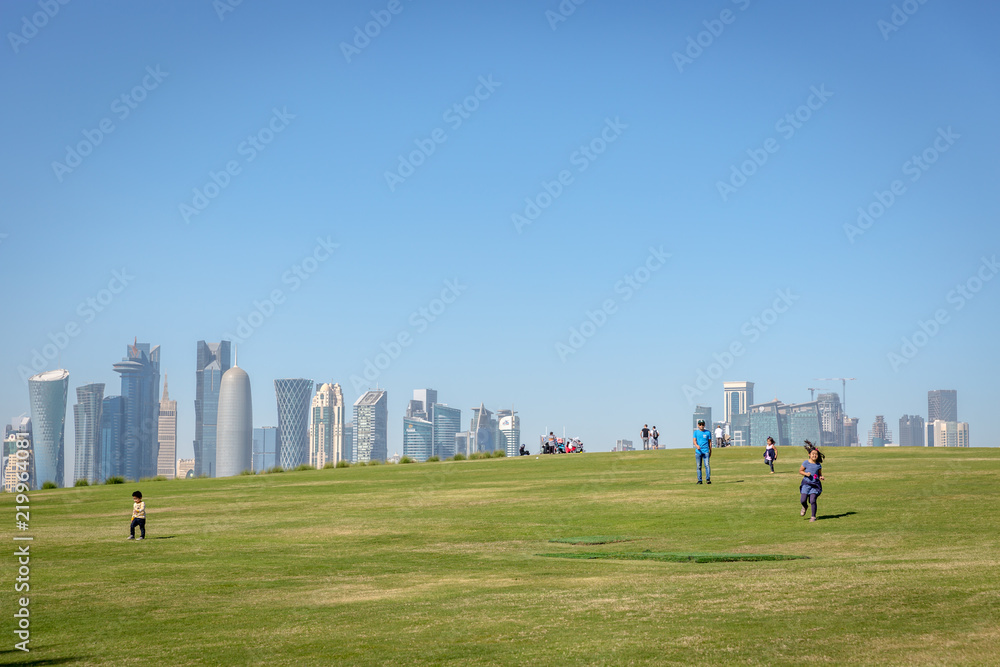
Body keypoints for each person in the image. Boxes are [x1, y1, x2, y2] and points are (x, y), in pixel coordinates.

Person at [799, 441, 825, 522]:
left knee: (812, 500)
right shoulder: (805, 463)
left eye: (816, 454)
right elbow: (800, 471)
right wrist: (806, 474)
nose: (814, 455)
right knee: (803, 500)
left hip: (815, 485)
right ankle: (805, 506)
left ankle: (813, 516)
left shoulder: (818, 465)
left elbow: (819, 474)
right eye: (813, 454)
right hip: (806, 484)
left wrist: (821, 477)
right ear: (809, 454)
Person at [692, 419, 712, 484]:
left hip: (706, 451)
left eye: (702, 424)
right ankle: (699, 480)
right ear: (698, 425)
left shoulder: (708, 432)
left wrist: (710, 450)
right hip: (698, 452)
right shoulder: (696, 432)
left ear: (704, 425)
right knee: (698, 466)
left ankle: (708, 479)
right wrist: (696, 445)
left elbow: (710, 442)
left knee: (707, 465)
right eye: (700, 424)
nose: (701, 426)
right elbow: (694, 440)